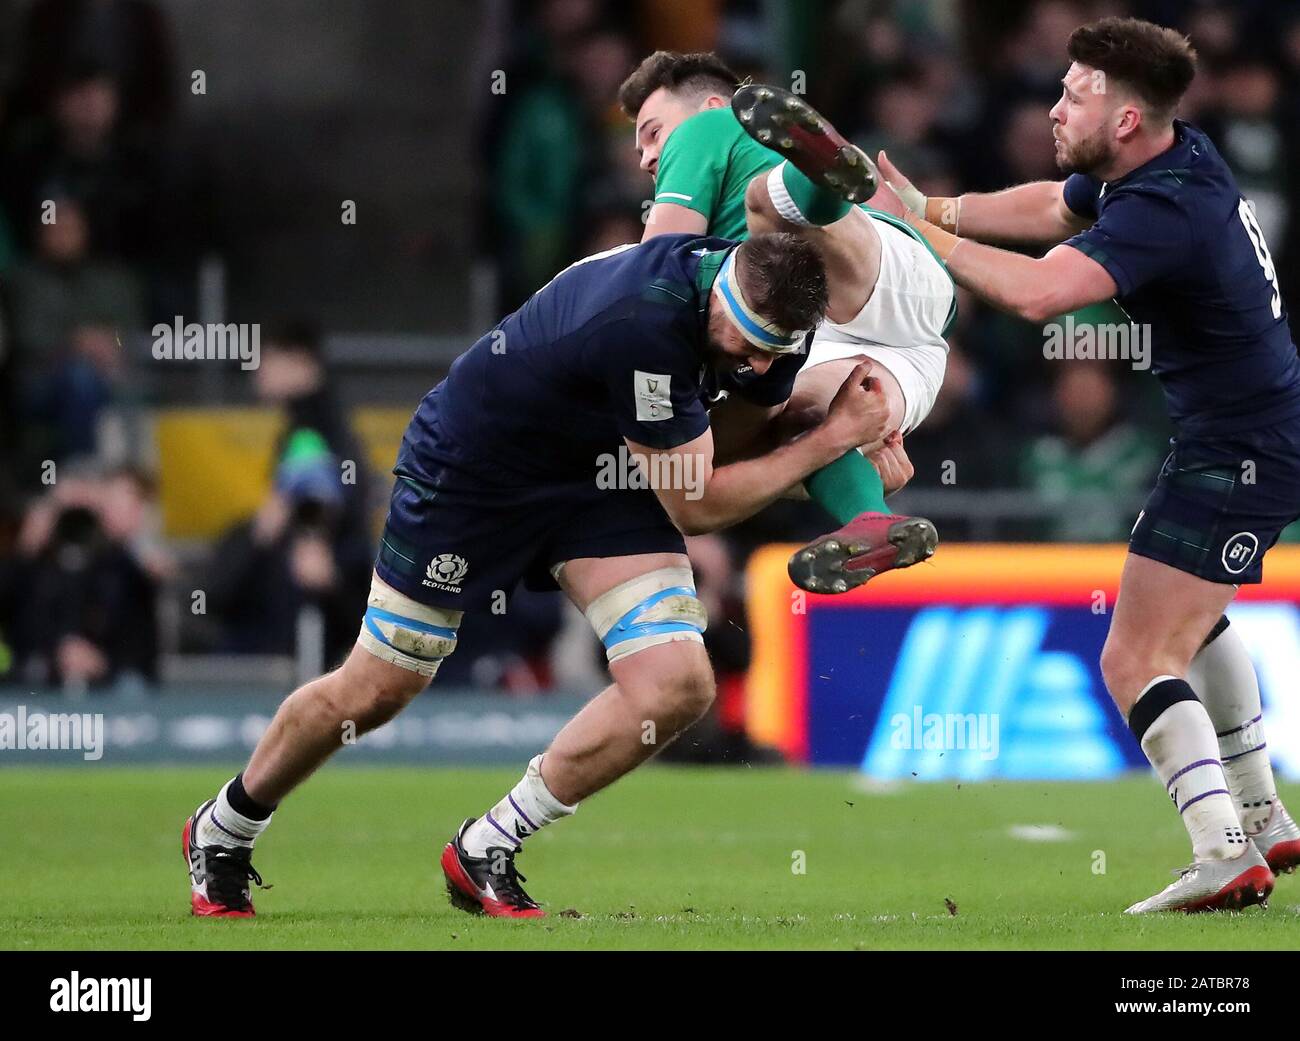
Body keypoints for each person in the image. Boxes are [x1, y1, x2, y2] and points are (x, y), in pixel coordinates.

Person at [181, 230, 892, 918]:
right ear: (722, 301)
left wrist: (838, 430)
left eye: (778, 354)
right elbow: (697, 501)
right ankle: (224, 826)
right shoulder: (646, 324)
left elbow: (731, 438)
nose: (761, 368)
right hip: (472, 471)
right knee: (381, 683)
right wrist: (830, 438)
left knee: (677, 682)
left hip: (599, 477)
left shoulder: (778, 319)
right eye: (751, 347)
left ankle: (488, 844)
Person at [772, 16, 1300, 913]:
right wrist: (931, 207)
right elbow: (1051, 208)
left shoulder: (1163, 207)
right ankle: (1264, 816)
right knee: (1198, 625)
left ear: (1126, 120)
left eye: (1075, 94)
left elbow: (1040, 290)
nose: (1056, 108)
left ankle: (1222, 849)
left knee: (1134, 656)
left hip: (1238, 448)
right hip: (1250, 433)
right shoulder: (1169, 157)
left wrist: (920, 238)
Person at [619, 51, 947, 592]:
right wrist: (858, 456)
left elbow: (655, 274)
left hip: (868, 268)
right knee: (809, 419)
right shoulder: (767, 338)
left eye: (653, 134)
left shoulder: (706, 129)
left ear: (716, 106)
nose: (646, 159)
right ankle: (870, 518)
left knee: (764, 213)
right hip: (894, 341)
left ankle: (820, 183)